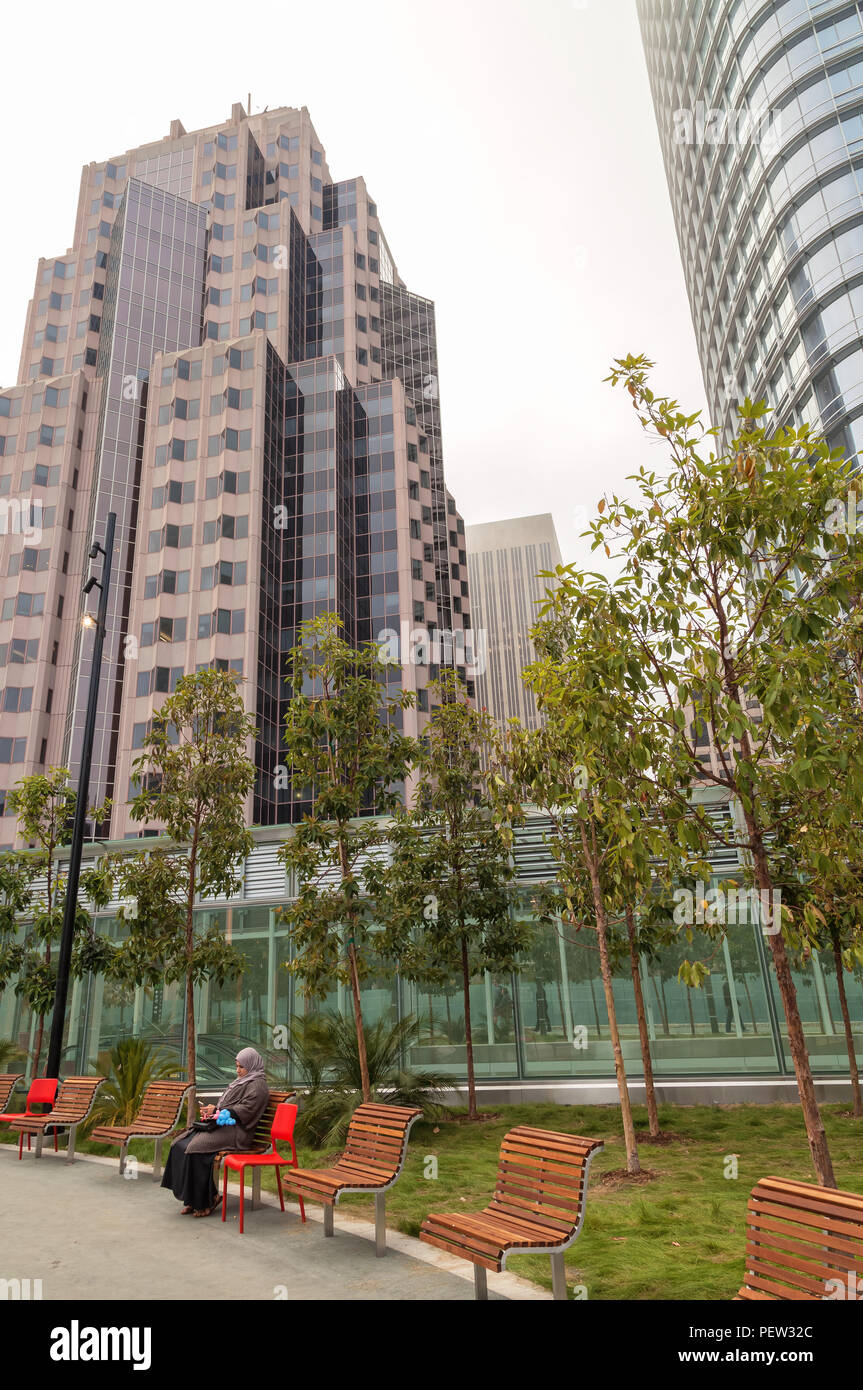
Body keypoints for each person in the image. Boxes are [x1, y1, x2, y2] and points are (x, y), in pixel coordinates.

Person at [161, 1047, 270, 1218]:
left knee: (195, 1147)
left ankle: (209, 1199)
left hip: (238, 1132)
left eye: (241, 1067)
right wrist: (214, 1111)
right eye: (236, 1066)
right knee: (179, 1144)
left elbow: (246, 1111)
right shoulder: (243, 1080)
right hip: (223, 1126)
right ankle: (192, 1199)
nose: (238, 1070)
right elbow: (228, 1106)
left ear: (252, 1065)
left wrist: (218, 1111)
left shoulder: (258, 1085)